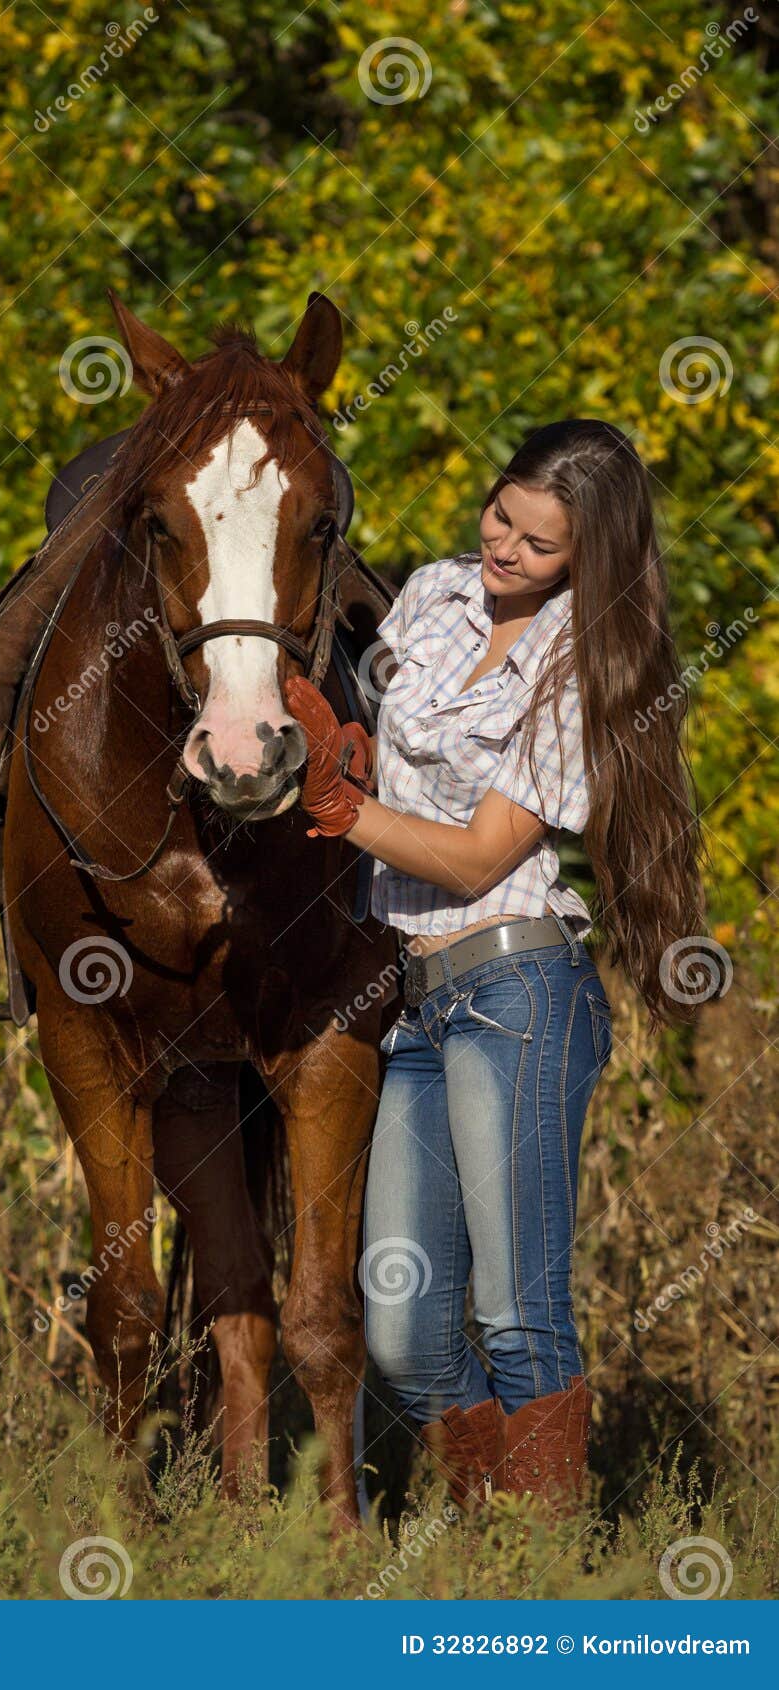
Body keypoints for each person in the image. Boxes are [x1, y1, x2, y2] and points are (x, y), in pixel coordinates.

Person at [286, 419, 705, 1514]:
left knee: (519, 1312)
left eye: (538, 543)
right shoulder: (430, 592)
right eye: (499, 515)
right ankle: (486, 1534)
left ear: (588, 560)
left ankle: (541, 1573)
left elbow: (476, 856)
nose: (504, 548)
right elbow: (369, 727)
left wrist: (339, 807)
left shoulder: (584, 660)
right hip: (416, 1006)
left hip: (517, 991)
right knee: (401, 1330)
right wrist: (328, 740)